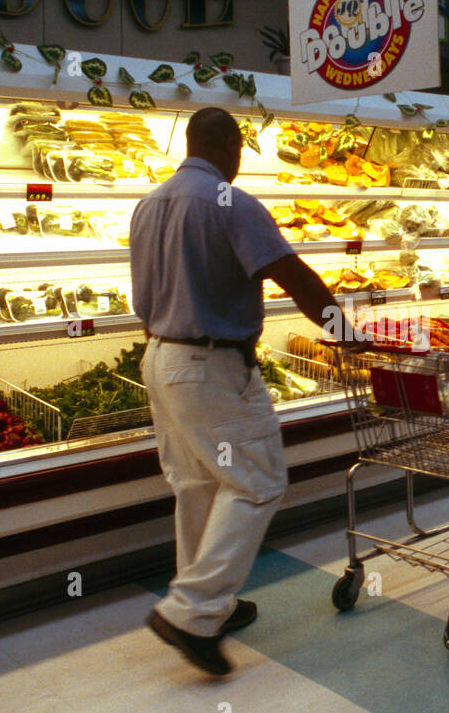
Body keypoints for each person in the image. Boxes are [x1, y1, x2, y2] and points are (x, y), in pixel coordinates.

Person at [130, 107, 359, 676]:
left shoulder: (147, 203)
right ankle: (191, 611)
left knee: (196, 484)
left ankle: (211, 606)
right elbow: (293, 273)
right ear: (230, 146)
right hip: (211, 365)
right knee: (257, 481)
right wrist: (345, 333)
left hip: (160, 357)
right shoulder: (230, 202)